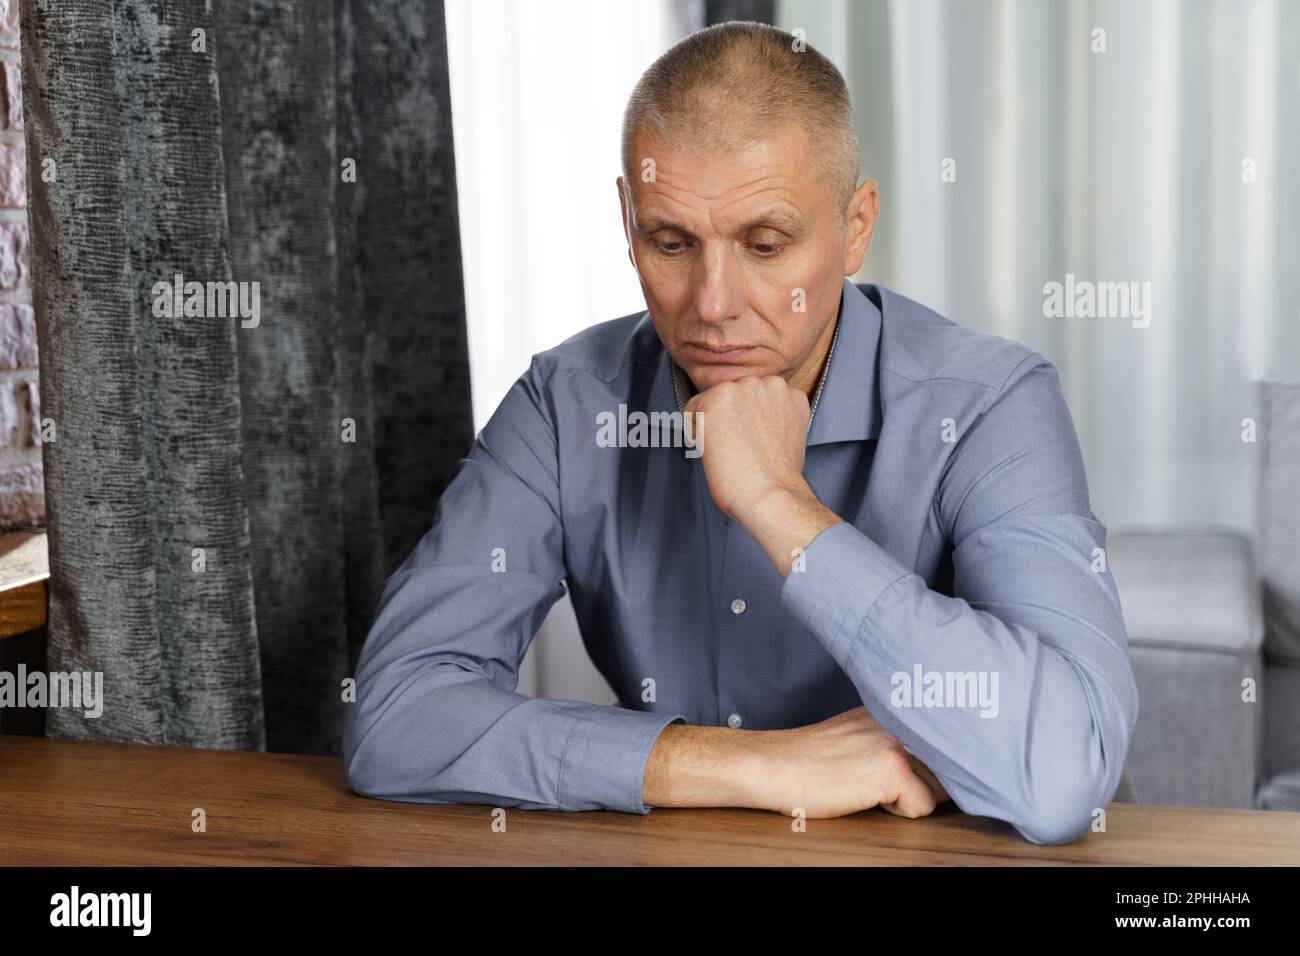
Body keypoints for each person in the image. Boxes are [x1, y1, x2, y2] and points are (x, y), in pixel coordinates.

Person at [343, 20, 1138, 846]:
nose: (713, 303)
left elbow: (1064, 772)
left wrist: (778, 503)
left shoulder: (989, 405)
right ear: (627, 218)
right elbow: (398, 716)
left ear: (857, 225)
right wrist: (759, 765)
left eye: (765, 243)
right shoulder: (565, 404)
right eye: (671, 242)